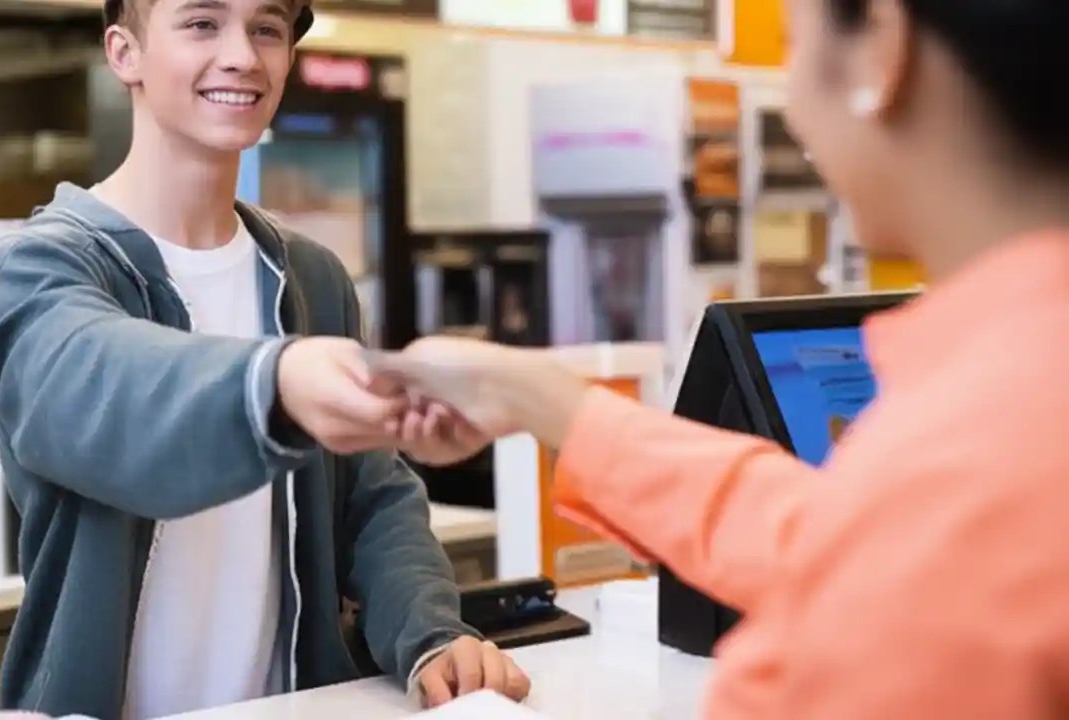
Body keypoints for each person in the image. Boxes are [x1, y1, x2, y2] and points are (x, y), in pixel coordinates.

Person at [375, 0, 1069, 716]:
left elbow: (873, 560)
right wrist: (547, 402)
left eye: (794, 45)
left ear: (881, 52)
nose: (793, 107)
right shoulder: (1015, 398)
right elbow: (822, 533)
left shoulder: (967, 465)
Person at [0, 1, 526, 718]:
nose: (242, 54)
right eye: (202, 23)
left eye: (266, 28)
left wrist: (431, 636)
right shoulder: (41, 268)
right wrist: (279, 383)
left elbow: (372, 499)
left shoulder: (313, 278)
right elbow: (106, 390)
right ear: (124, 53)